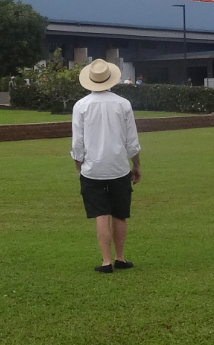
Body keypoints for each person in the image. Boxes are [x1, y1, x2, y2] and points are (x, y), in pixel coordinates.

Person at [71, 59, 142, 274]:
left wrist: (78, 166)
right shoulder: (123, 104)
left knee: (101, 214)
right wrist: (136, 165)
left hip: (92, 169)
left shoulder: (81, 106)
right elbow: (132, 141)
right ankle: (120, 258)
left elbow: (77, 143)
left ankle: (105, 261)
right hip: (119, 167)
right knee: (119, 214)